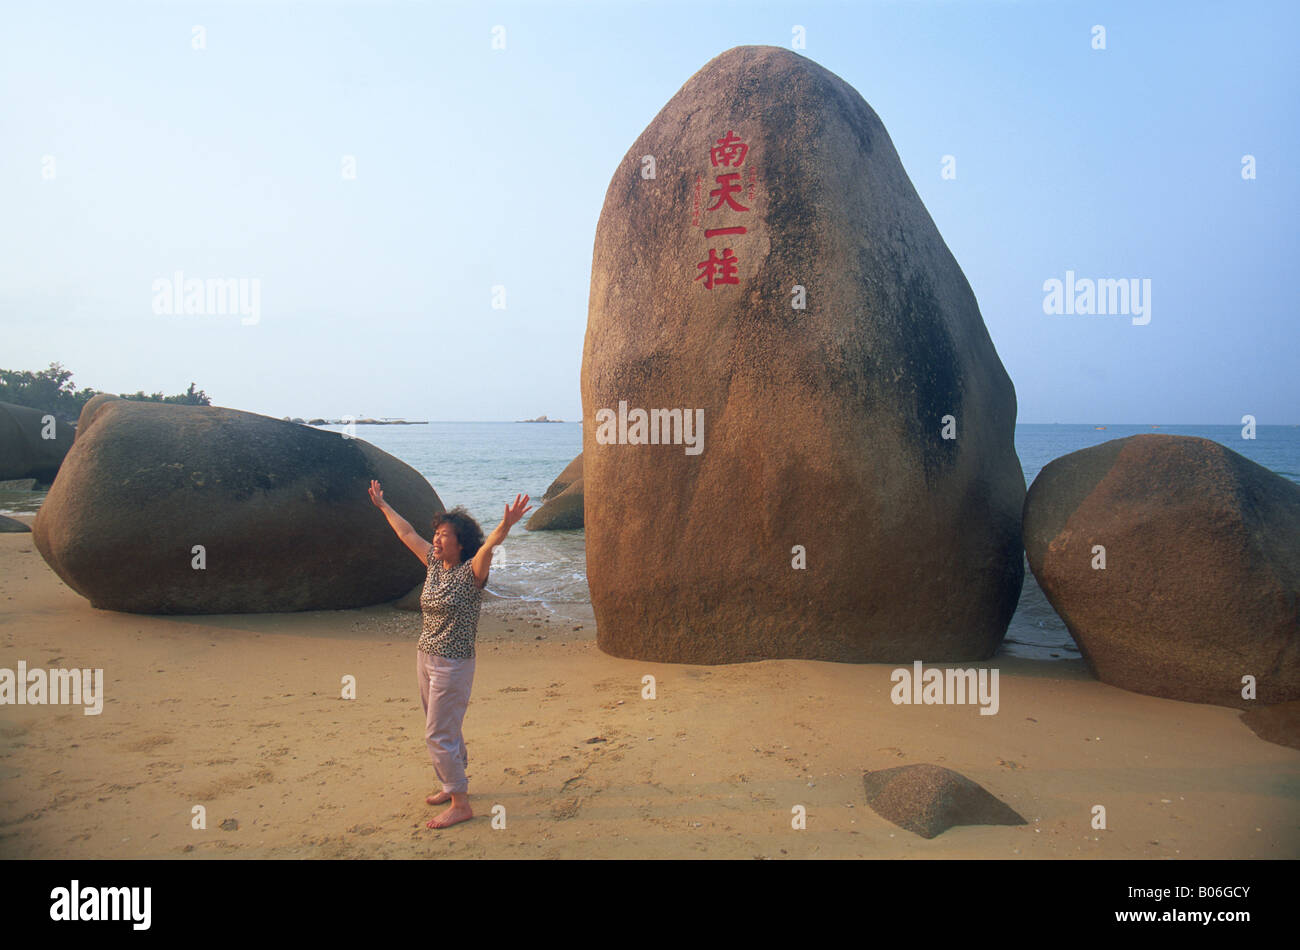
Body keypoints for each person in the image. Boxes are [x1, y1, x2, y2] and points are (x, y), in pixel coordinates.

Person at [369, 480, 531, 829]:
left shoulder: (472, 573)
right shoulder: (432, 563)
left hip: (454, 664)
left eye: (444, 535)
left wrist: (506, 525)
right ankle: (451, 782)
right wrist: (384, 506)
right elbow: (407, 533)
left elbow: (490, 545)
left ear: (460, 542)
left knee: (437, 733)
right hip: (425, 657)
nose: (437, 539)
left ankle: (460, 803)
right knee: (444, 726)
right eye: (437, 533)